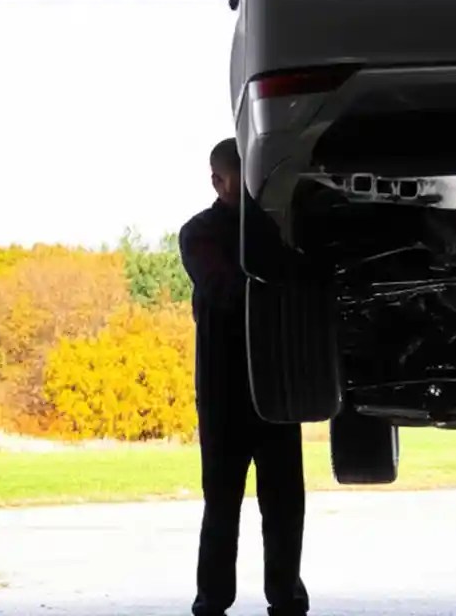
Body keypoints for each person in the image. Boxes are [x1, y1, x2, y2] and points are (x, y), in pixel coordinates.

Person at [179, 138, 310, 616]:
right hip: (223, 390)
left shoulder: (273, 228)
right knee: (222, 504)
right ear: (218, 180)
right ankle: (213, 600)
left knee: (284, 503)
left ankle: (286, 595)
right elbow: (223, 289)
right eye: (239, 174)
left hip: (274, 384)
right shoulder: (199, 233)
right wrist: (281, 278)